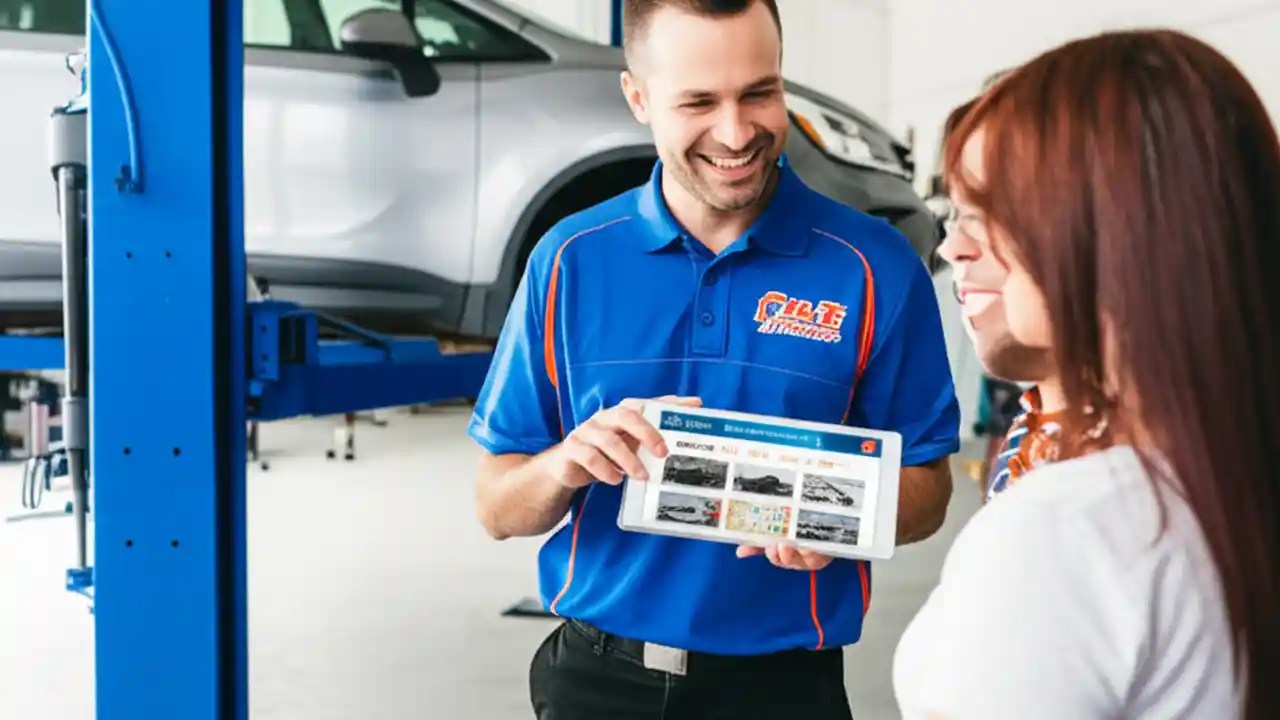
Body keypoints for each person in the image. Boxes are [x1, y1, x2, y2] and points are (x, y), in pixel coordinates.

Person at [467, 1, 961, 717]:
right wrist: (568, 462)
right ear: (638, 98)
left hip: (784, 689)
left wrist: (837, 513)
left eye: (759, 92)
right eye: (698, 101)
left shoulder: (875, 266)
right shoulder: (569, 262)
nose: (736, 134)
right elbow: (496, 505)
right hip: (596, 683)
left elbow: (929, 493)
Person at [893, 29, 1279, 719]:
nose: (952, 245)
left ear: (1101, 230)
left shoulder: (1068, 533)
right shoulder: (1223, 464)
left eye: (988, 215)